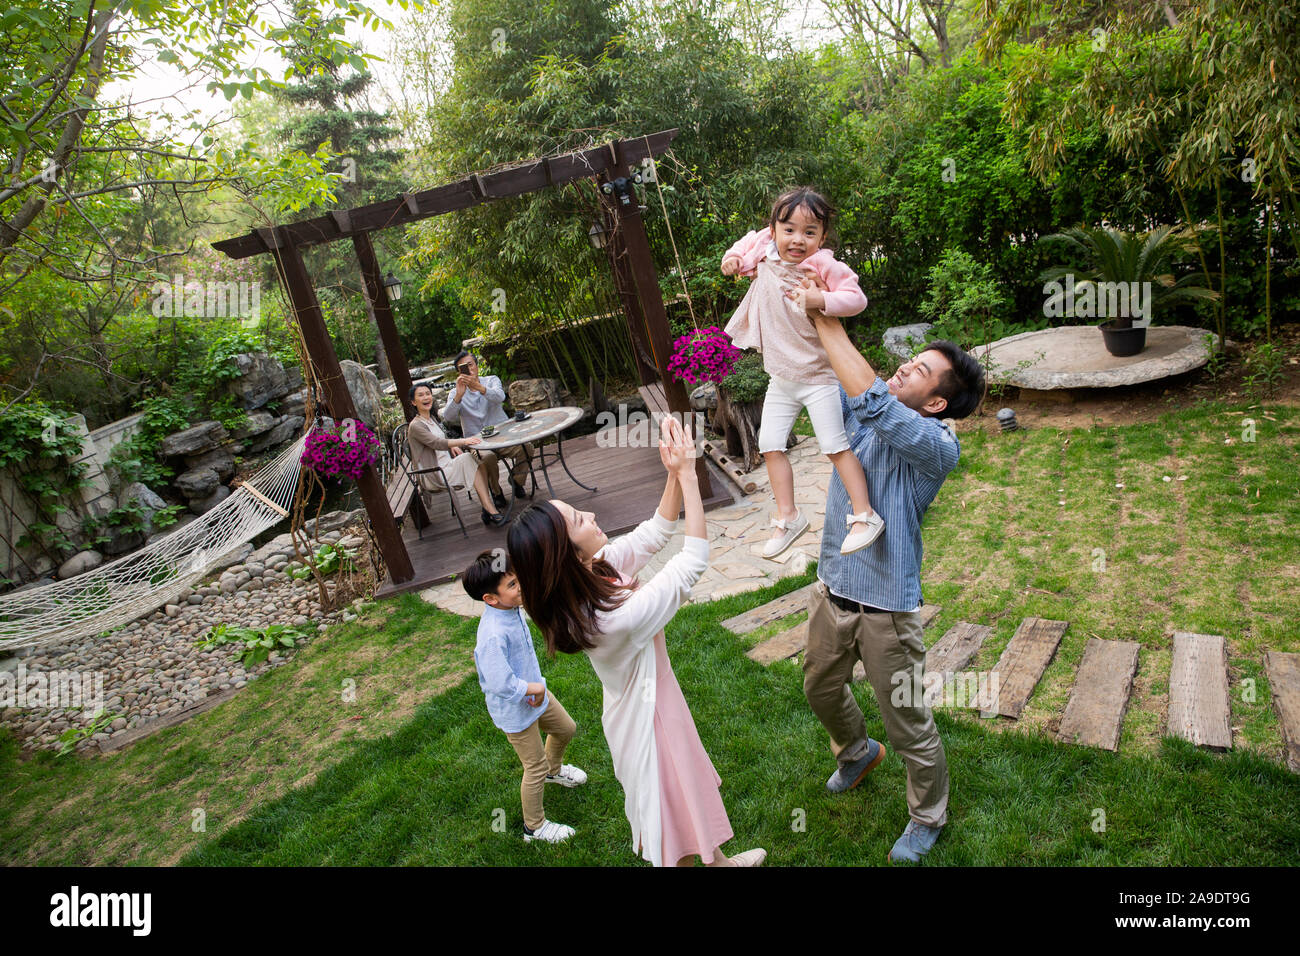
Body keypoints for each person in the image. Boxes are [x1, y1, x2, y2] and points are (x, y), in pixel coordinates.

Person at [507, 417, 765, 868]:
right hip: (646, 720)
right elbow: (691, 563)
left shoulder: (592, 571)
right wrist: (688, 477)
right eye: (579, 519)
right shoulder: (608, 622)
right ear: (568, 553)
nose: (592, 515)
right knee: (670, 815)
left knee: (686, 796)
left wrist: (671, 474)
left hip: (658, 702)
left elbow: (655, 533)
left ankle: (720, 863)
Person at [799, 297, 986, 864]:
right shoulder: (853, 412)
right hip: (833, 589)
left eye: (922, 370)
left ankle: (928, 816)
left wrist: (825, 317)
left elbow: (877, 400)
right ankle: (856, 752)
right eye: (914, 359)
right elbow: (821, 373)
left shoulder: (937, 447)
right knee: (819, 689)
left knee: (907, 723)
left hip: (886, 610)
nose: (905, 366)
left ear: (936, 402)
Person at [721, 186, 879, 560]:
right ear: (773, 229)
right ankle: (789, 517)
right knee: (770, 445)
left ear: (822, 238)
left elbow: (857, 299)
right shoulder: (764, 248)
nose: (798, 239)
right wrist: (731, 259)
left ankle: (865, 514)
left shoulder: (823, 265)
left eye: (810, 232)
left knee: (835, 447)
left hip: (818, 377)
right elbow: (741, 249)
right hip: (781, 376)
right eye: (788, 229)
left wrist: (820, 299)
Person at [464, 548, 587, 844]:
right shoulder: (492, 634)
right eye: (512, 585)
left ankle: (554, 772)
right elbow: (499, 682)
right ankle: (535, 827)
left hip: (535, 692)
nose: (521, 587)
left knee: (566, 729)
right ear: (490, 599)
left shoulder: (510, 609)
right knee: (534, 766)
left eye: (518, 579)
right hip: (516, 708)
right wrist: (531, 689)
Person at [405, 381, 507, 527]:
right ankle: (490, 509)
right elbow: (436, 443)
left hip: (446, 464)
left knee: (479, 463)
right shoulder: (416, 425)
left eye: (428, 393)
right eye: (420, 395)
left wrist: (450, 446)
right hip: (433, 472)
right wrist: (463, 441)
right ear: (414, 402)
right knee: (468, 459)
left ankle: (488, 508)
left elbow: (441, 439)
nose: (426, 397)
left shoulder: (431, 419)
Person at [442, 350, 533, 508]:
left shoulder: (491, 380)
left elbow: (500, 397)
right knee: (488, 458)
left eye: (470, 365)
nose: (469, 369)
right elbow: (448, 418)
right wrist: (458, 396)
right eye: (463, 368)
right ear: (459, 373)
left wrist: (479, 388)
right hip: (477, 441)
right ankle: (496, 492)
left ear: (477, 366)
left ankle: (517, 481)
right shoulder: (455, 392)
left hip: (503, 435)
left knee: (527, 448)